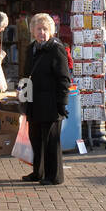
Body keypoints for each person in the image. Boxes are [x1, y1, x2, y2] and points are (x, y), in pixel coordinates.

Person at [21, 13, 71, 185]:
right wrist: (23, 99)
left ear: (51, 31)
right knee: (36, 139)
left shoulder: (56, 48)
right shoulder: (31, 48)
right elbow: (25, 74)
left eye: (45, 29)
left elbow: (64, 78)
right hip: (34, 102)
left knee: (51, 141)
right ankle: (38, 172)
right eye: (38, 29)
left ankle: (54, 176)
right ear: (33, 31)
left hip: (50, 102)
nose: (42, 32)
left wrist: (62, 103)